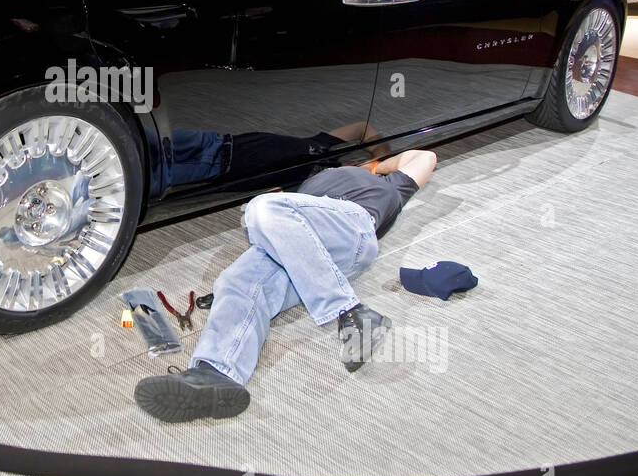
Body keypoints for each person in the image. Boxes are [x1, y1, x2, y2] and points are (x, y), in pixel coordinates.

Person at [135, 150, 438, 423]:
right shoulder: (300, 193)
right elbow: (285, 226)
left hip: (351, 230)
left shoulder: (384, 184)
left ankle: (349, 310)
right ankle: (214, 373)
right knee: (236, 281)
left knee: (261, 208)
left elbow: (425, 157)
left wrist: (373, 166)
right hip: (302, 246)